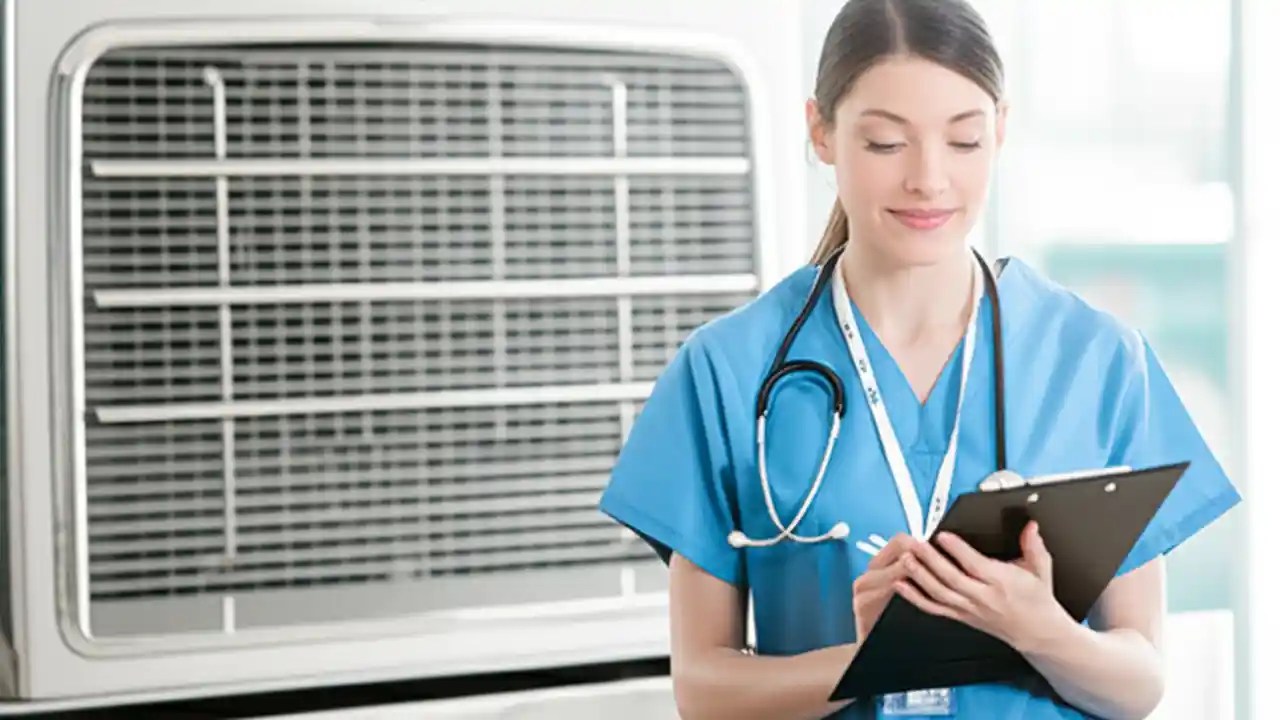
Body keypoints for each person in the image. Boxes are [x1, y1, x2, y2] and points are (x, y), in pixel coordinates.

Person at [597, 0, 1242, 718]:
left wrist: (1039, 631)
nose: (929, 180)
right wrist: (867, 660)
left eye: (964, 142)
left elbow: (1141, 679)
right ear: (821, 131)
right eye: (884, 144)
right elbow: (705, 691)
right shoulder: (728, 371)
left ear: (1000, 128)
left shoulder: (1097, 361)